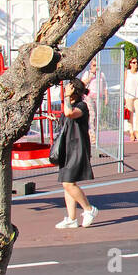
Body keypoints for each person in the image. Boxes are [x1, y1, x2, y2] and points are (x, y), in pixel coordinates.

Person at [55, 79, 98, 229]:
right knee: (67, 184)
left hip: (77, 148)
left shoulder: (81, 106)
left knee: (68, 182)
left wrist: (66, 97)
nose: (65, 90)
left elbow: (69, 114)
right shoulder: (71, 104)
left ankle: (88, 209)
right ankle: (72, 218)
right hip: (66, 148)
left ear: (74, 91)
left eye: (68, 89)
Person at [124, 55, 138, 143]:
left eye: (137, 62)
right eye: (133, 62)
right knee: (130, 115)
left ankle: (137, 130)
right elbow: (124, 84)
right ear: (130, 64)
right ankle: (131, 132)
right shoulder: (127, 73)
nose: (135, 64)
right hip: (128, 96)